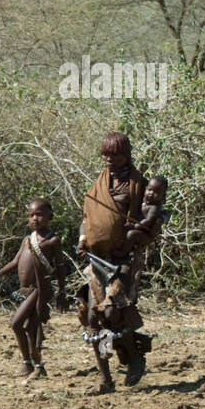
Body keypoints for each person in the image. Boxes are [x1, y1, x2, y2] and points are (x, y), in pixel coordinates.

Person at [75, 131, 151, 394]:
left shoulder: (138, 184)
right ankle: (106, 381)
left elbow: (151, 220)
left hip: (124, 261)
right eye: (104, 154)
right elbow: (87, 216)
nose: (108, 159)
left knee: (111, 312)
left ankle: (134, 356)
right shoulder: (100, 182)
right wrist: (83, 238)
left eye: (114, 154)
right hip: (97, 259)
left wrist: (135, 235)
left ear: (125, 154)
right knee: (93, 320)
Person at [0, 198, 68, 378]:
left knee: (18, 324)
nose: (35, 218)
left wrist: (62, 292)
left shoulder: (53, 241)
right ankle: (32, 365)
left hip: (40, 290)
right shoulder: (28, 240)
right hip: (25, 290)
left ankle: (34, 364)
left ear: (50, 216)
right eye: (31, 215)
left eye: (39, 214)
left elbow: (60, 268)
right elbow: (15, 262)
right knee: (30, 328)